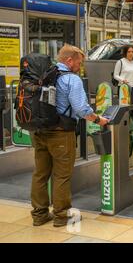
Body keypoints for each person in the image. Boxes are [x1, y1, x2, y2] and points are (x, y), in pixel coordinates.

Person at [31, 44, 108, 227]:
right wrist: (98, 119)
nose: (80, 67)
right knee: (61, 176)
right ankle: (61, 216)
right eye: (79, 63)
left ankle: (40, 215)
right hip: (61, 134)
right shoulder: (71, 79)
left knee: (40, 174)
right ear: (69, 60)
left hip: (39, 131)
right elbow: (81, 109)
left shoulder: (43, 74)